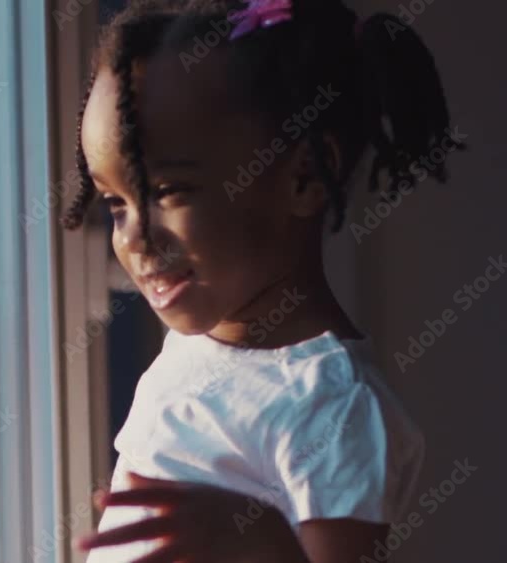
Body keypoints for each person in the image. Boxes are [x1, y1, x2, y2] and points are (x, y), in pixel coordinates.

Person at [63, 0, 460, 561]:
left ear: (302, 177)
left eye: (168, 192)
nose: (134, 238)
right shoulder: (190, 352)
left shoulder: (333, 407)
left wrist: (264, 542)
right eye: (115, 203)